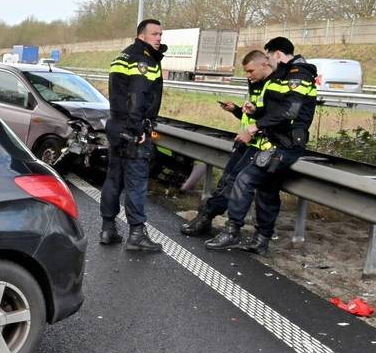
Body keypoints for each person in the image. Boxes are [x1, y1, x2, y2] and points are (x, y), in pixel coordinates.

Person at [206, 37, 318, 254]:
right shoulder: (282, 75)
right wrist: (255, 112)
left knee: (244, 180)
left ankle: (232, 231)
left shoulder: (299, 76)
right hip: (274, 141)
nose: (266, 61)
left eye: (267, 56)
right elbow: (275, 111)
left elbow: (290, 112)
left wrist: (255, 126)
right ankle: (261, 241)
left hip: (286, 144)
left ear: (277, 54)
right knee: (267, 191)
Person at [180, 50, 275, 236]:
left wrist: (253, 131)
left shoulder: (273, 87)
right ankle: (206, 217)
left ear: (264, 64)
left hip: (258, 145)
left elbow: (271, 119)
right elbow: (254, 116)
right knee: (225, 181)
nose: (248, 76)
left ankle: (207, 217)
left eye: (250, 71)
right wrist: (236, 110)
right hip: (245, 142)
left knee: (232, 183)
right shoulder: (257, 84)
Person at [100, 19, 166, 251]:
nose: (159, 38)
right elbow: (137, 98)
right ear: (142, 36)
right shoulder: (143, 60)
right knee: (136, 183)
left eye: (160, 34)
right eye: (154, 34)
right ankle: (137, 234)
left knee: (113, 179)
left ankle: (108, 229)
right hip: (133, 130)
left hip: (116, 126)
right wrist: (139, 130)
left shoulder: (122, 56)